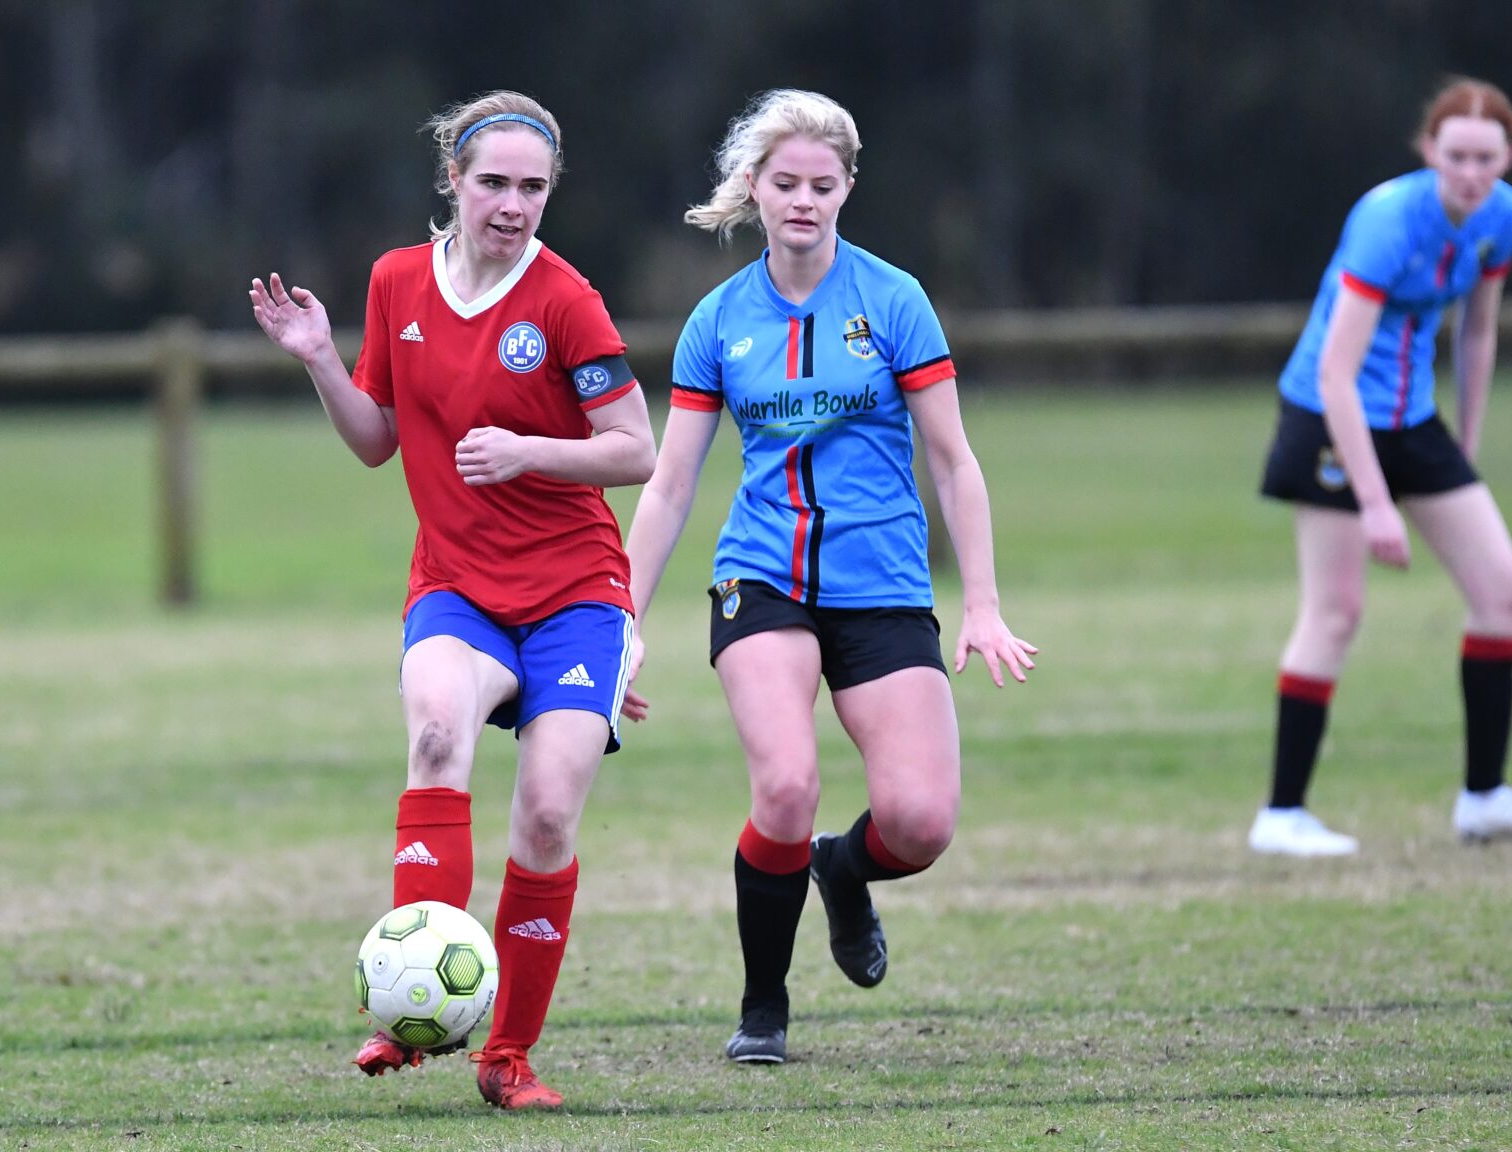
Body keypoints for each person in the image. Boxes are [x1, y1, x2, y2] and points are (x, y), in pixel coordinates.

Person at [248, 91, 655, 1109]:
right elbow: (374, 440)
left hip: (574, 594)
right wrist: (319, 361)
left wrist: (529, 451)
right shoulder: (397, 280)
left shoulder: (565, 301)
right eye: (494, 183)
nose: (513, 205)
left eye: (533, 188)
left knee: (547, 813)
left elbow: (635, 450)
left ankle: (506, 1055)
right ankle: (407, 1012)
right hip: (457, 586)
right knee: (435, 738)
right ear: (453, 181)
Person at [618, 89, 1037, 1065]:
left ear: (848, 187)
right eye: (785, 184)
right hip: (760, 575)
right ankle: (762, 1007)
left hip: (882, 583)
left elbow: (953, 462)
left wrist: (980, 604)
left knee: (920, 823)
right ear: (754, 188)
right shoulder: (718, 321)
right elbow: (670, 484)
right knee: (786, 786)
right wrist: (620, 618)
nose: (803, 201)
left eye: (821, 184)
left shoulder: (893, 301)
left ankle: (840, 874)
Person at [1249, 77, 1512, 856]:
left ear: (1508, 157)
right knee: (1336, 611)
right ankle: (1282, 815)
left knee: (1502, 589)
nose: (1471, 172)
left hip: (1410, 417)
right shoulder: (1389, 220)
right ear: (1429, 149)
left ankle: (1485, 799)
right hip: (1328, 417)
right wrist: (1375, 504)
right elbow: (1336, 373)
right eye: (1456, 155)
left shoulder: (1502, 216)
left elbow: (1477, 334)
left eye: (1486, 158)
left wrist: (1466, 446)